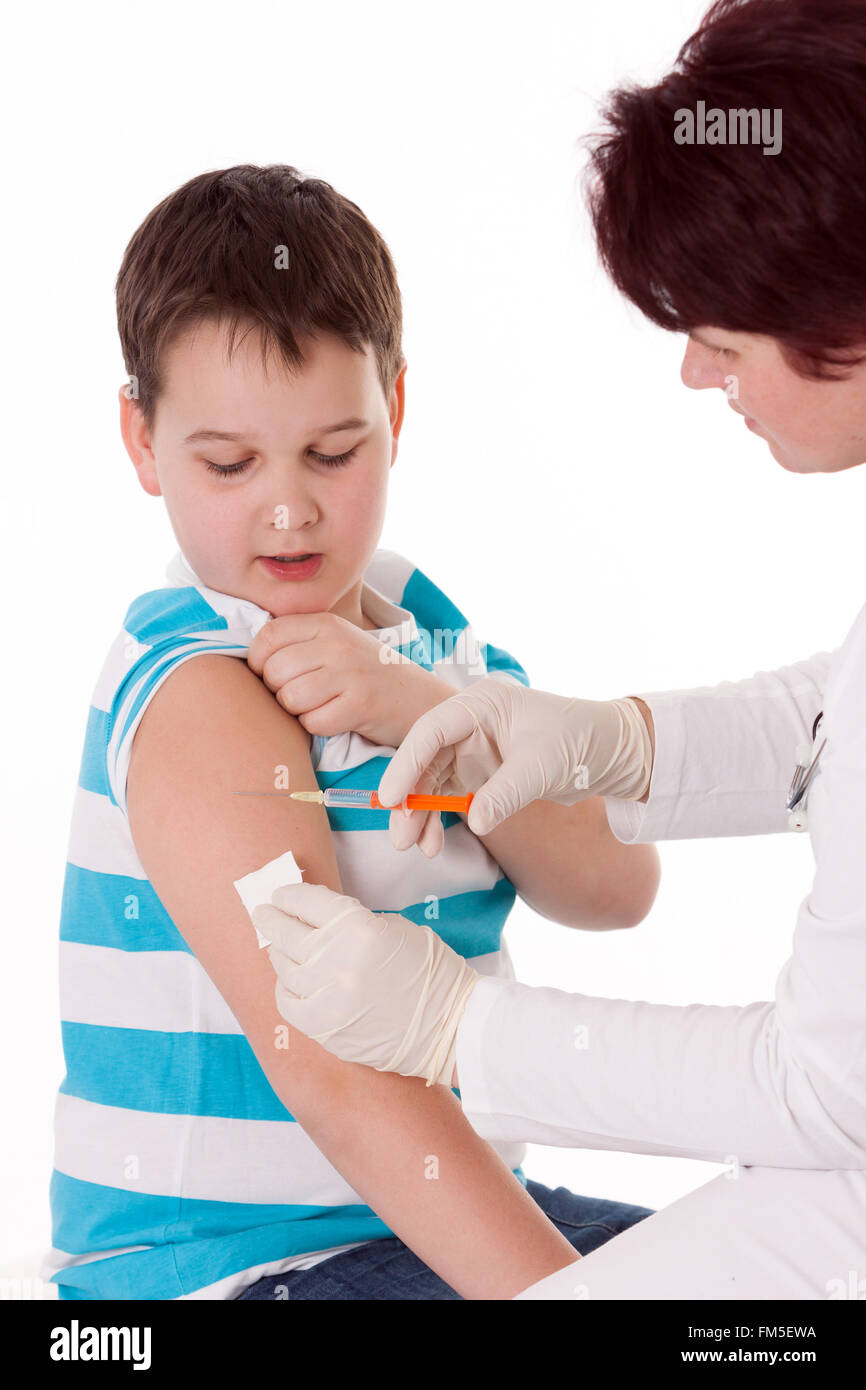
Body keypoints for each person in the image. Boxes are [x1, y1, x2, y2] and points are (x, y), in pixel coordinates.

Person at [251, 0, 866, 1298]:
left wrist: (453, 1026)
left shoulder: (399, 608)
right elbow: (843, 712)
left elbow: (824, 1094)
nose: (698, 376)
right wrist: (620, 741)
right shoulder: (192, 675)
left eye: (721, 335)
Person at [41, 164, 660, 1301]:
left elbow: (616, 881)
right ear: (140, 439)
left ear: (397, 411)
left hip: (437, 1218)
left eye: (333, 452)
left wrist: (426, 717)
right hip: (239, 1265)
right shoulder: (196, 684)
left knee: (784, 1271)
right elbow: (332, 1070)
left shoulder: (425, 633)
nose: (288, 507)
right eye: (228, 464)